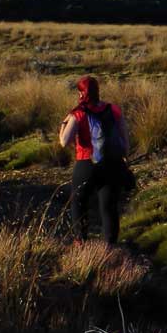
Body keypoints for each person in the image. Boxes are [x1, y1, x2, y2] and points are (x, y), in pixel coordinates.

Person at [58, 76, 134, 243]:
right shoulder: (113, 109)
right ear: (98, 90)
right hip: (112, 164)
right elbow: (124, 139)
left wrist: (63, 124)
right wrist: (124, 159)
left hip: (86, 163)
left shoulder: (78, 113)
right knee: (109, 206)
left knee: (78, 202)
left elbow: (64, 142)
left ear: (80, 93)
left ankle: (80, 241)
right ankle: (110, 246)